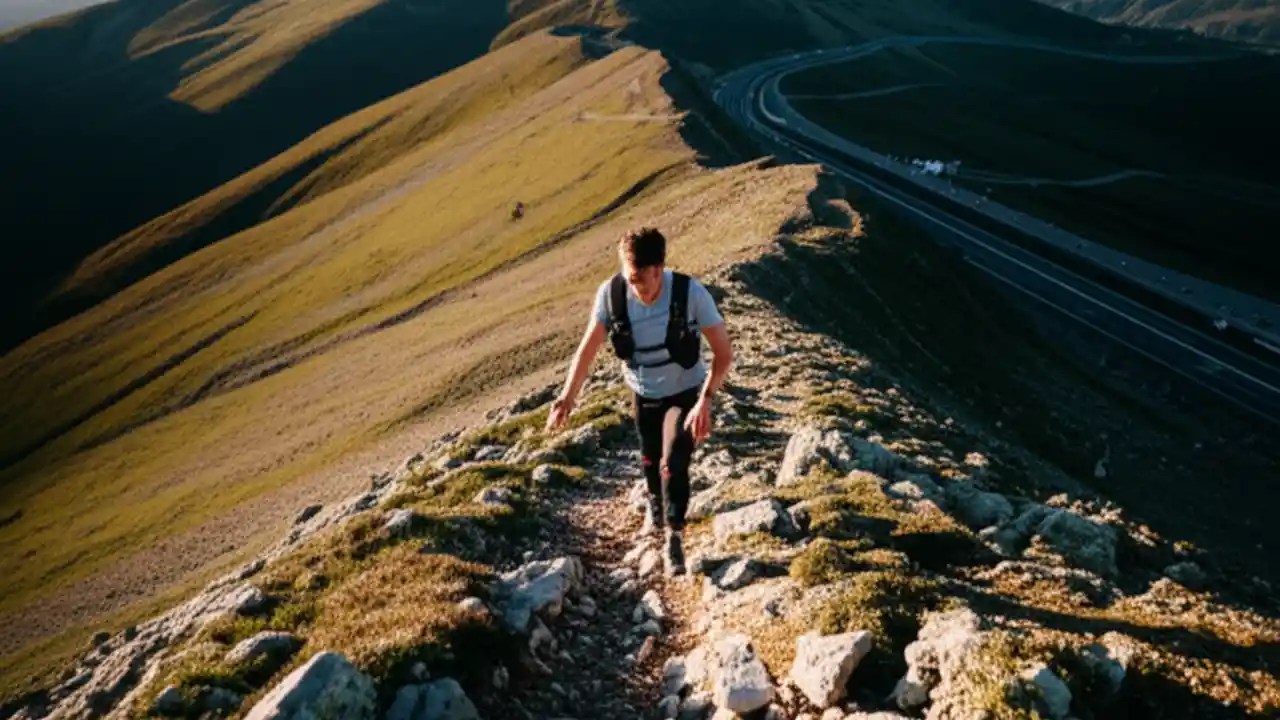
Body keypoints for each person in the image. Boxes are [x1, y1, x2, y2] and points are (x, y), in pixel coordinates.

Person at [546, 227, 733, 576]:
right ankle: (655, 505)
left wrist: (705, 400)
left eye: (639, 279)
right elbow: (588, 349)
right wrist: (566, 397)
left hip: (685, 393)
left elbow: (724, 354)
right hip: (643, 391)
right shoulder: (611, 294)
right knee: (650, 459)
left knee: (673, 459)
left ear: (658, 269)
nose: (634, 287)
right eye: (628, 277)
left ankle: (673, 536)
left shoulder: (690, 294)